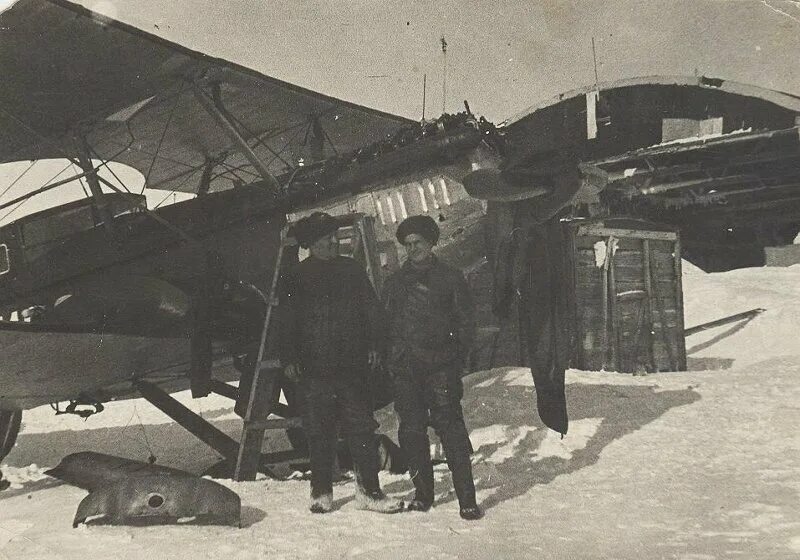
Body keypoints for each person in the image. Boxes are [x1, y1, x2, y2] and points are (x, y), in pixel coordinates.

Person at [279, 212, 403, 514]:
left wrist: (375, 344)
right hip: (315, 368)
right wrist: (289, 357)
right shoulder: (296, 276)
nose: (334, 242)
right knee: (319, 431)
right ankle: (321, 492)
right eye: (327, 238)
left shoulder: (351, 270)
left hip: (352, 366)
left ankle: (369, 492)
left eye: (335, 236)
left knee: (361, 428)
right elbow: (286, 321)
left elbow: (372, 311)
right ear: (312, 244)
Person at [382, 215, 483, 520]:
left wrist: (454, 359)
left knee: (451, 431)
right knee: (411, 432)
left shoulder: (450, 278)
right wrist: (394, 358)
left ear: (431, 243)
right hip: (407, 370)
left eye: (418, 243)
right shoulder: (395, 283)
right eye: (408, 244)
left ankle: (467, 500)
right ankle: (423, 495)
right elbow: (385, 325)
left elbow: (466, 324)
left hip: (441, 368)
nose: (413, 249)